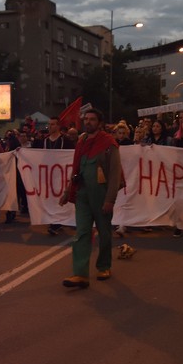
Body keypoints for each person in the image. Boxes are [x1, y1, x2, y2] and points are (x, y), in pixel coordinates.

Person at [61, 109, 123, 289]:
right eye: (86, 119)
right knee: (81, 233)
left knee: (104, 232)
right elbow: (75, 170)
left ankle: (104, 266)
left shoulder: (109, 143)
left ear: (100, 122)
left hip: (101, 195)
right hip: (82, 195)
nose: (88, 122)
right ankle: (80, 274)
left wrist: (110, 199)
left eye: (92, 119)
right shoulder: (81, 141)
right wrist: (67, 192)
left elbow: (115, 174)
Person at [34, 116, 73, 235]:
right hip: (48, 175)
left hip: (61, 175)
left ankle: (57, 221)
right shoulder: (44, 141)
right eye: (49, 124)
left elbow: (72, 155)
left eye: (53, 124)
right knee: (50, 197)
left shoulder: (65, 140)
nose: (50, 126)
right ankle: (53, 219)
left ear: (58, 126)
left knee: (60, 197)